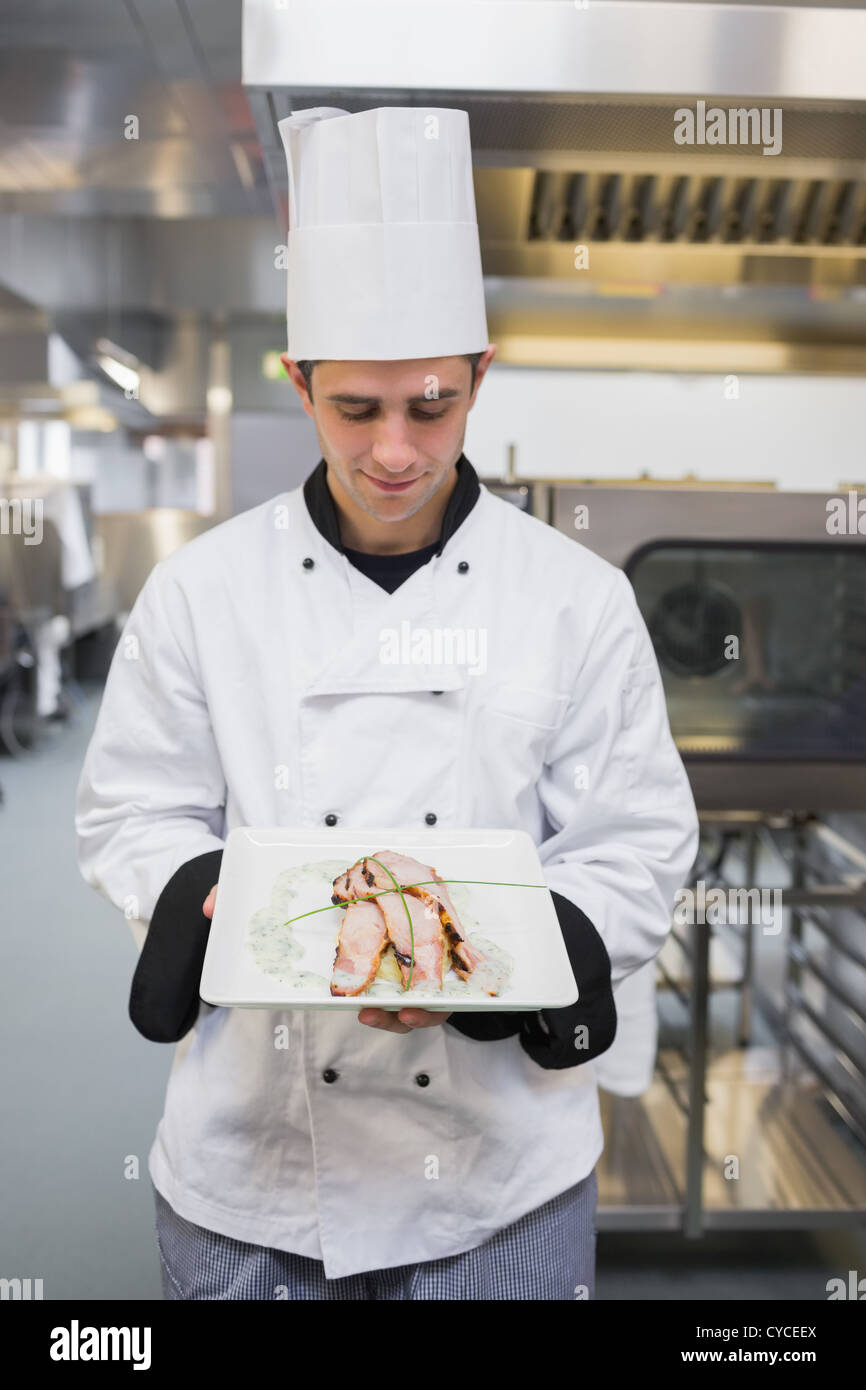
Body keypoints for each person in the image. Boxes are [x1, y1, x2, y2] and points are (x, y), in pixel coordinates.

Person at [75, 106, 699, 1300]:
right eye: (354, 410)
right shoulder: (203, 591)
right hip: (252, 1166)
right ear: (299, 382)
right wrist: (199, 906)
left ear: (477, 377)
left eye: (430, 407)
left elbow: (632, 842)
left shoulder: (573, 599)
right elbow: (132, 810)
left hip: (500, 1174)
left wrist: (495, 966)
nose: (396, 452)